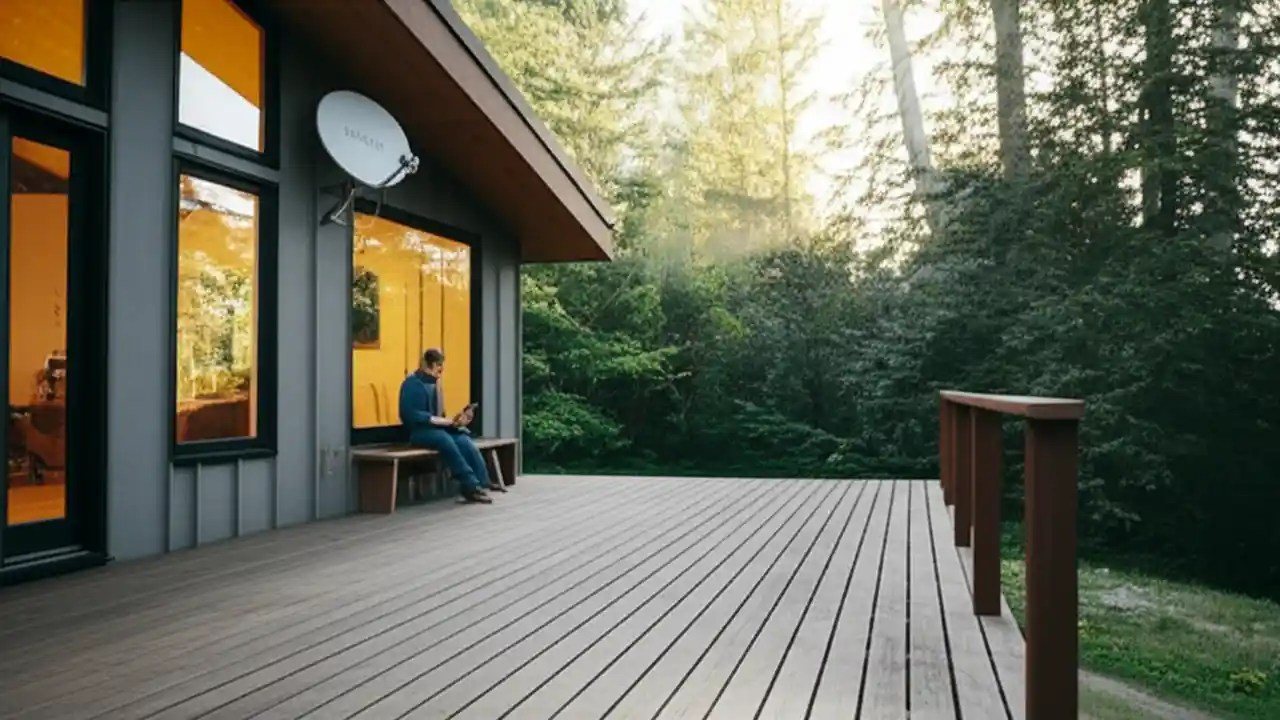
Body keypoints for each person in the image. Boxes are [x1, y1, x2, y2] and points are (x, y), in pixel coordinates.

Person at [399, 348, 498, 504]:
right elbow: (409, 414)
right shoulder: (411, 384)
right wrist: (437, 420)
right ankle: (470, 486)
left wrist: (457, 421)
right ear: (431, 365)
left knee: (463, 439)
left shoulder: (435, 386)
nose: (441, 372)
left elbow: (442, 415)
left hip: (438, 429)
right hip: (419, 431)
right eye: (439, 368)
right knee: (444, 440)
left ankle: (483, 481)